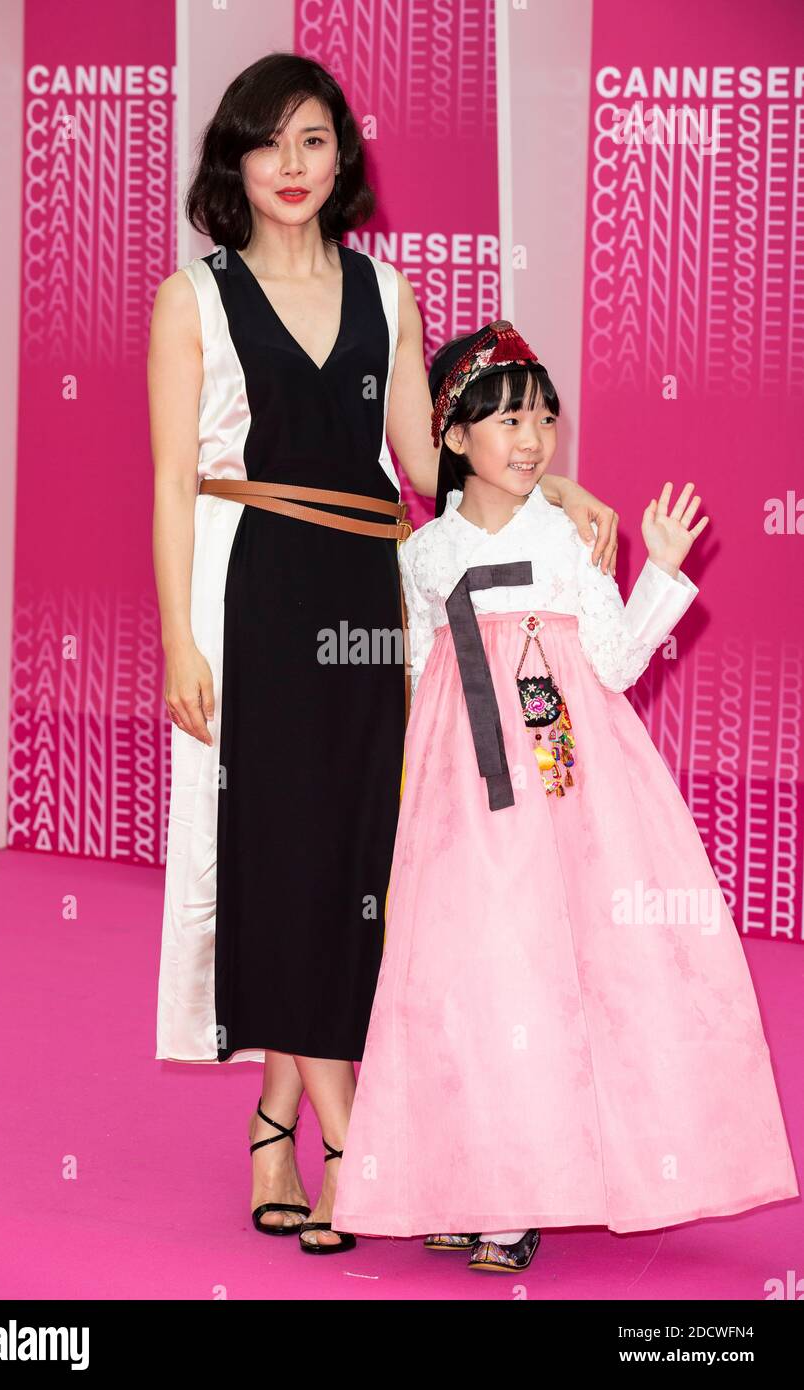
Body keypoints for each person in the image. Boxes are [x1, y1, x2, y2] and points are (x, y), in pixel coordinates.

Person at [149, 53, 620, 1254]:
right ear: (234, 163)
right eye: (268, 144)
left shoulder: (388, 292)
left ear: (340, 157)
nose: (292, 167)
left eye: (313, 142)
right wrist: (176, 642)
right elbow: (165, 482)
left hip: (371, 597)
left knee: (363, 858)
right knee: (280, 852)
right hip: (253, 586)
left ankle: (273, 1117)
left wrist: (544, 476)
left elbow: (422, 461)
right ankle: (351, 1140)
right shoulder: (191, 300)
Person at [330, 321, 799, 1271]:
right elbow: (419, 684)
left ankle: (524, 1192)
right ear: (452, 436)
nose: (532, 437)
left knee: (550, 975)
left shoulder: (568, 541)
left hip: (568, 798)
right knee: (461, 981)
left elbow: (619, 661)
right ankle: (466, 1177)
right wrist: (400, 799)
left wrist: (661, 569)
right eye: (506, 419)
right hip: (460, 809)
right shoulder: (423, 557)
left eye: (543, 416)